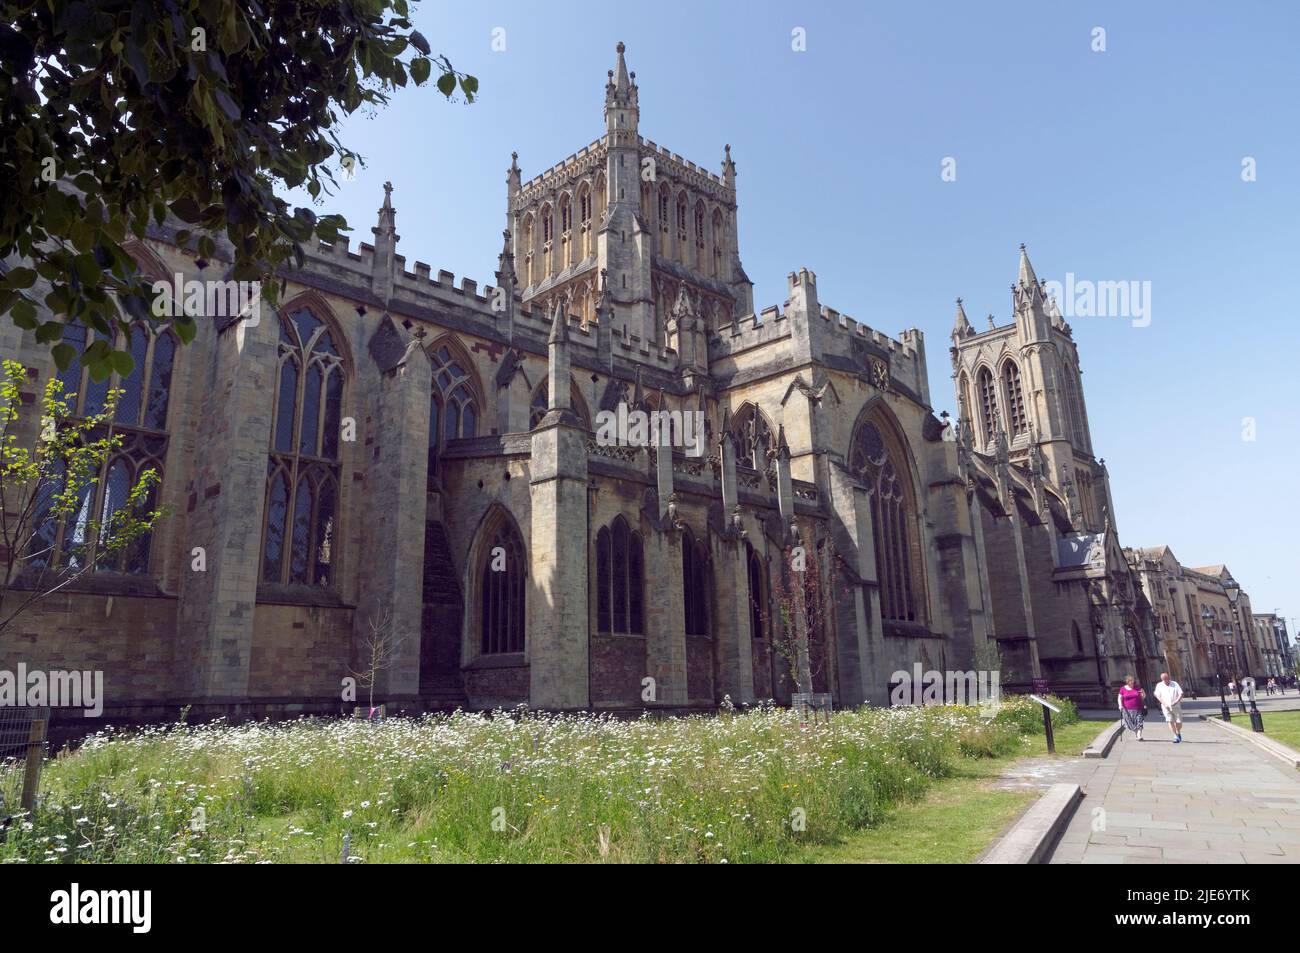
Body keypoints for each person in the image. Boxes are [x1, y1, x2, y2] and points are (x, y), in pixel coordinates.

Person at [1153, 672, 1185, 743]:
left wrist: (1176, 701)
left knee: (1179, 722)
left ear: (1168, 678)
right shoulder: (1159, 685)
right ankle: (1175, 736)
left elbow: (1181, 694)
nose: (1165, 680)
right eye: (1163, 679)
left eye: (1166, 678)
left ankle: (1178, 731)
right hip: (1166, 707)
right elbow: (1157, 695)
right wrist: (1164, 704)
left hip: (1176, 706)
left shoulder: (1174, 684)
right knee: (1170, 721)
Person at [1118, 675, 1146, 741]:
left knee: (1139, 721)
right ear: (1127, 682)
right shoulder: (1123, 689)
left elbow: (1143, 697)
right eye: (1130, 681)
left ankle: (1139, 735)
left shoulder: (1137, 688)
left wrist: (1143, 693)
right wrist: (1120, 705)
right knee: (1131, 723)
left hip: (1138, 708)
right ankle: (1136, 733)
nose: (1132, 682)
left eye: (1133, 681)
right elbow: (1120, 698)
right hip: (1127, 710)